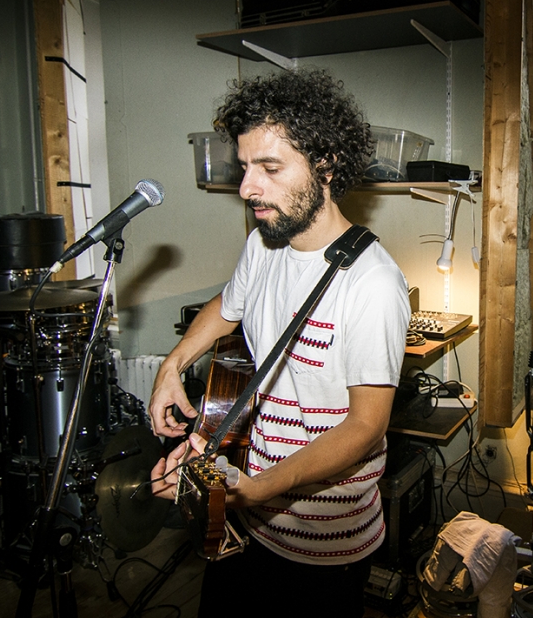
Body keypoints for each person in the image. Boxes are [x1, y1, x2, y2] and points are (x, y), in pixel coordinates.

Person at [148, 68, 410, 617]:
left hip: (323, 546)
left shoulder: (372, 283)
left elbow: (366, 426)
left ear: (326, 165)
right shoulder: (263, 244)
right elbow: (227, 307)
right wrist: (173, 365)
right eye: (245, 167)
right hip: (247, 521)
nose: (248, 188)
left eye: (269, 168)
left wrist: (262, 487)